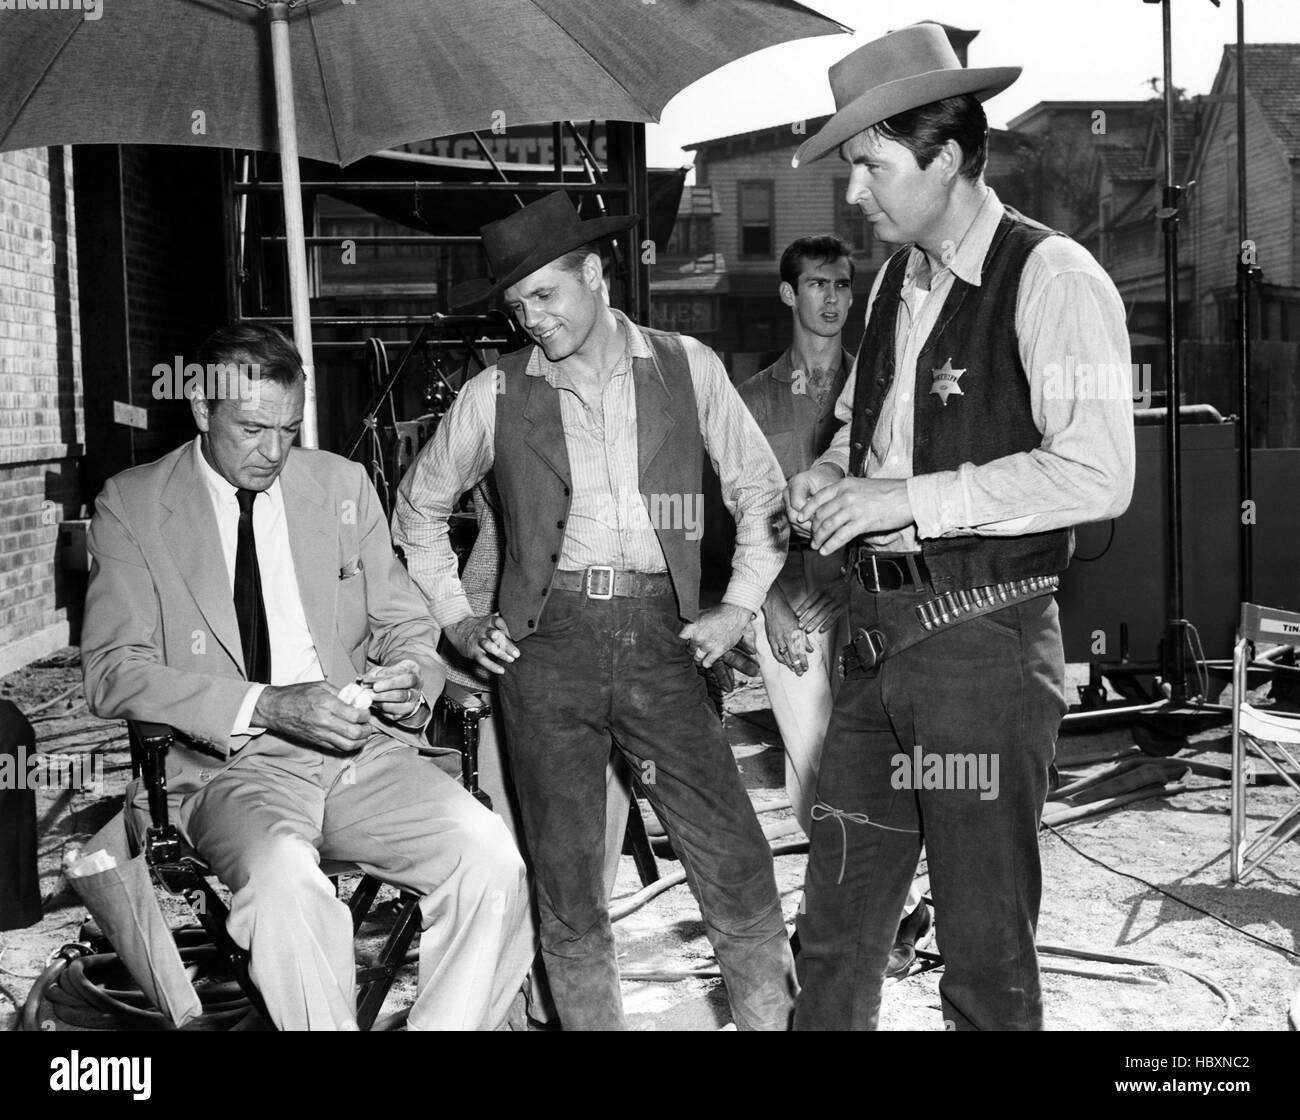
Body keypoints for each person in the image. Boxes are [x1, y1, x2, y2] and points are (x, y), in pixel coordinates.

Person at [784, 24, 1135, 1030]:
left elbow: (1100, 471)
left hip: (981, 644)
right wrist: (824, 476)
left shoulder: (1054, 277)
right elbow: (860, 429)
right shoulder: (896, 280)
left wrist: (907, 499)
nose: (855, 195)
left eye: (870, 167)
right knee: (836, 937)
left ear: (944, 158)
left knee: (981, 960)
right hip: (873, 642)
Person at [394, 189, 797, 1030]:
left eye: (546, 295)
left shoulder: (687, 366)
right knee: (570, 888)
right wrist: (459, 620)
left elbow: (762, 492)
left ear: (596, 273)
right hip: (545, 653)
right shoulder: (495, 393)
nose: (532, 320)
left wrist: (738, 609)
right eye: (515, 306)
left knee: (735, 863)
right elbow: (417, 510)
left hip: (667, 640)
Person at [80, 322, 533, 1031]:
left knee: (492, 862)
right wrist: (265, 705)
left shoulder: (340, 485)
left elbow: (404, 625)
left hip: (362, 753)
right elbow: (112, 673)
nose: (272, 452)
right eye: (252, 428)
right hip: (230, 771)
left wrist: (410, 678)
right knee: (288, 888)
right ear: (201, 407)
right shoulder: (132, 506)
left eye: (289, 429)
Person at [737, 234, 929, 976]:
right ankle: (859, 916)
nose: (833, 298)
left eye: (844, 285)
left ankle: (866, 914)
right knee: (816, 766)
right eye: (816, 284)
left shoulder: (875, 395)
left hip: (866, 604)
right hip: (786, 608)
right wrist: (772, 610)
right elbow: (741, 520)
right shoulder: (751, 399)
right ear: (789, 294)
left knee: (879, 766)